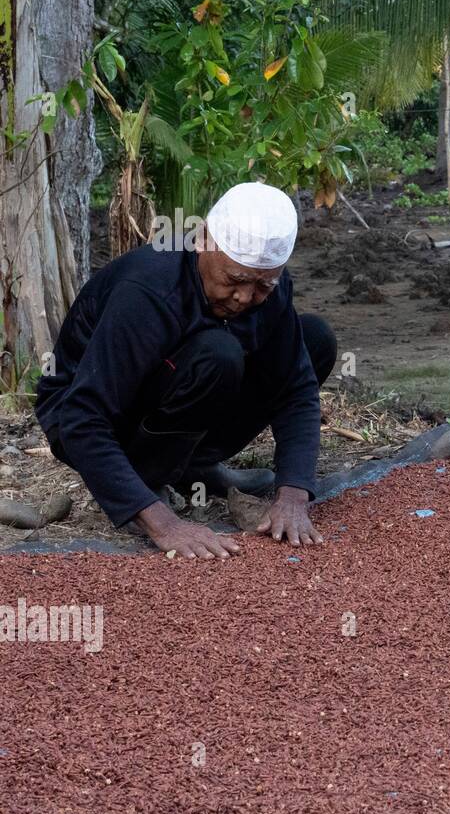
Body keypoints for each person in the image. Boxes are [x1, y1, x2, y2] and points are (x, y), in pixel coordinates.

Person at [36, 182, 337, 560]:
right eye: (235, 280)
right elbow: (81, 419)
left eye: (262, 285)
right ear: (202, 240)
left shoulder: (270, 288)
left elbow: (296, 390)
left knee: (314, 339)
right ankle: (147, 479)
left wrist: (294, 493)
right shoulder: (146, 292)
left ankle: (192, 467)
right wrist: (162, 523)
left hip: (182, 391)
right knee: (219, 354)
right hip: (87, 415)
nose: (245, 298)